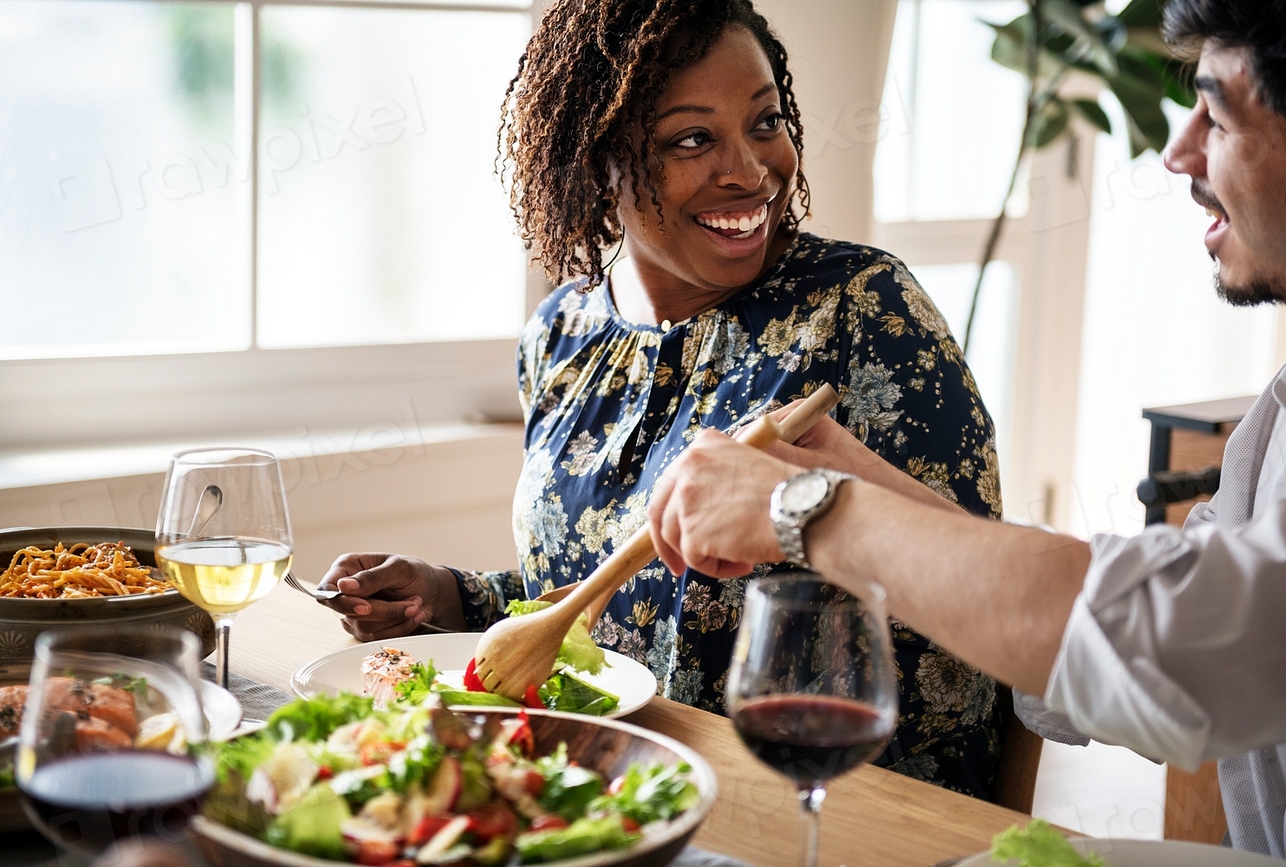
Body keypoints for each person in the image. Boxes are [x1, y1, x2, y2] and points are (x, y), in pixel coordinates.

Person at [646, 0, 1286, 859]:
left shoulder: (863, 301)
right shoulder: (1282, 412)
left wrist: (807, 508)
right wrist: (867, 486)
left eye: (1216, 112)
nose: (1177, 152)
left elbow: (1190, 645)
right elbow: (1146, 627)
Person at [318, 0, 1007, 798]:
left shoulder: (862, 309)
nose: (750, 171)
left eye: (765, 122)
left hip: (827, 800)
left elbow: (984, 595)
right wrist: (453, 594)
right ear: (596, 159)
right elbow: (601, 597)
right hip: (610, 795)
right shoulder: (562, 333)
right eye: (692, 139)